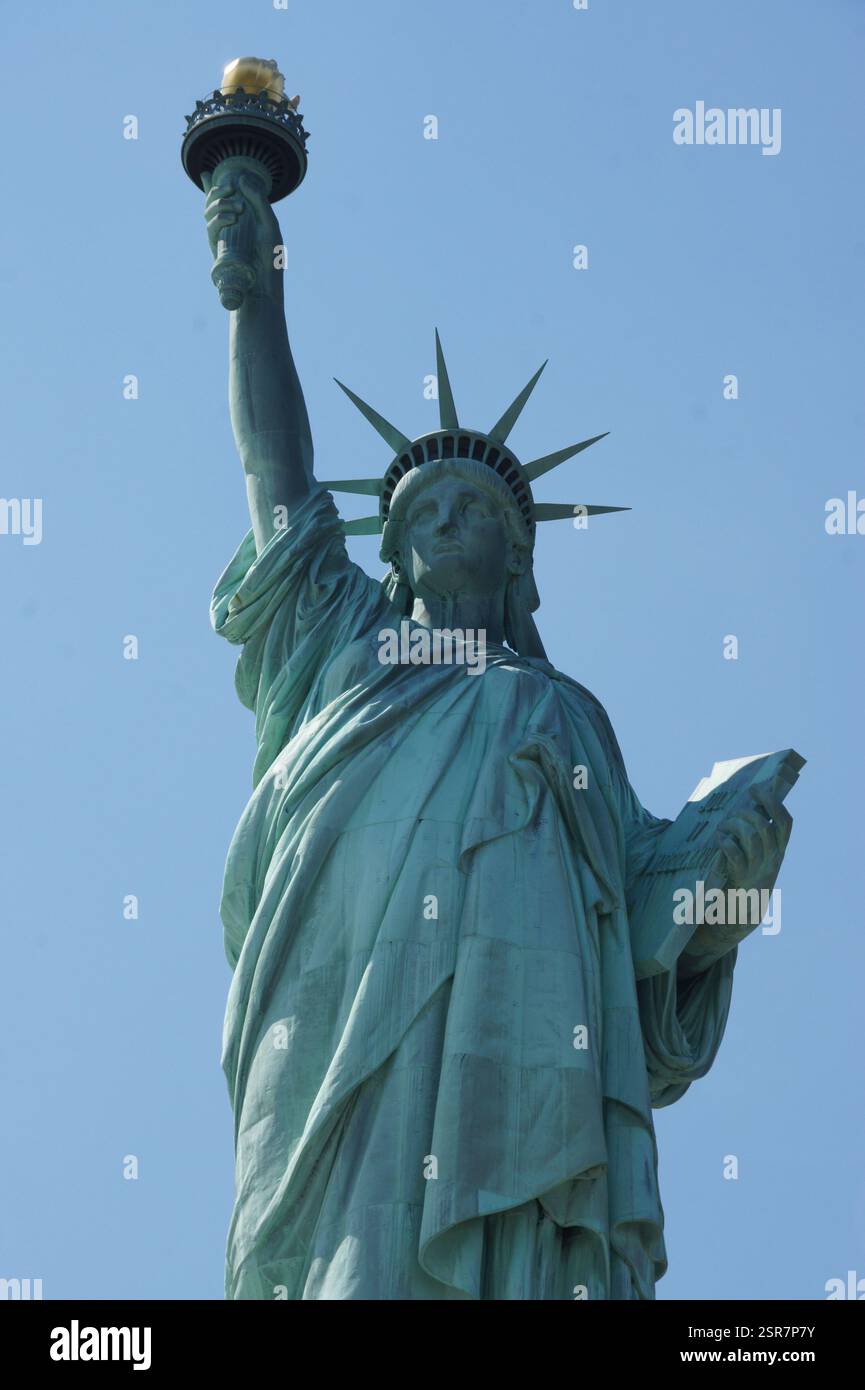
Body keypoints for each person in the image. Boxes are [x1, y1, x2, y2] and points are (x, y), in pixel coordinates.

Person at [204, 171, 793, 1300]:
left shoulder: (566, 712)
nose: (444, 520)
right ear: (391, 550)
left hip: (526, 1041)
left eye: (471, 508)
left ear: (521, 554)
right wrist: (252, 296)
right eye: (422, 511)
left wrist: (727, 881)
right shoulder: (343, 645)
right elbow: (274, 479)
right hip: (338, 1018)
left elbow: (642, 925)